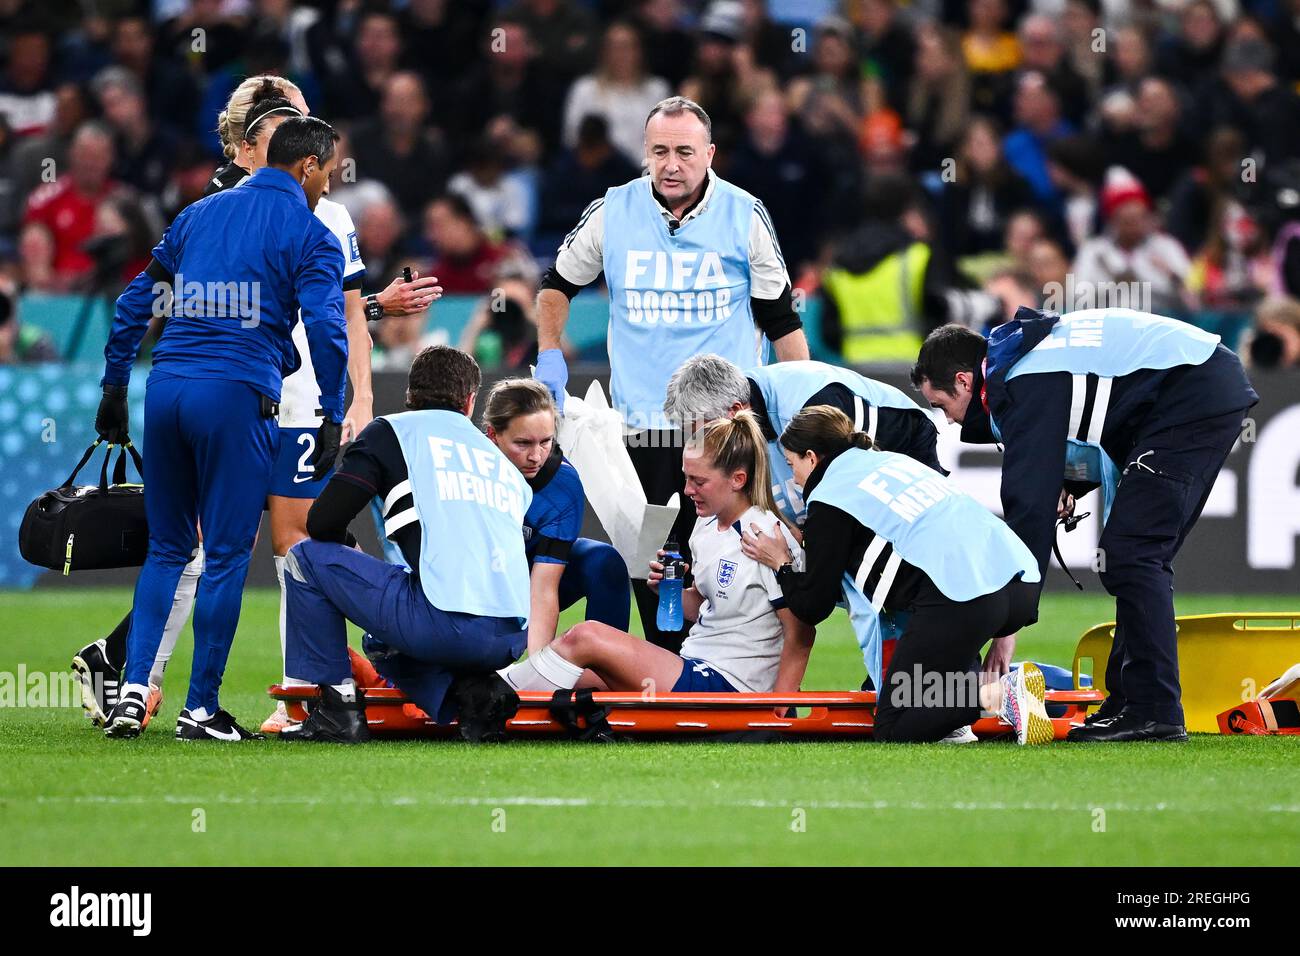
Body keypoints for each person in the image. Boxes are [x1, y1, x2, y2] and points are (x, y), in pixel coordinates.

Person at [94, 115, 348, 741]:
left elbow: (136, 302)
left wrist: (113, 385)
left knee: (168, 549)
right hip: (237, 397)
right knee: (228, 555)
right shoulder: (312, 235)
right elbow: (325, 329)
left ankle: (132, 692)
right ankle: (200, 709)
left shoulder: (196, 216)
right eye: (330, 171)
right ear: (308, 165)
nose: (329, 184)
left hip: (169, 389)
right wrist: (334, 410)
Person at [533, 95, 810, 651]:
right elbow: (556, 285)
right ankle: (670, 675)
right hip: (642, 428)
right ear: (645, 153)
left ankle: (743, 680)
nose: (671, 164)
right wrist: (550, 354)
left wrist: (799, 412)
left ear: (709, 154)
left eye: (685, 151)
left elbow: (780, 319)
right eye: (659, 151)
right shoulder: (613, 211)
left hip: (727, 432)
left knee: (738, 564)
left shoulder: (744, 214)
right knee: (654, 567)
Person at [911, 309, 1259, 742]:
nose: (948, 421)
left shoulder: (1022, 379)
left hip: (1193, 391)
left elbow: (1028, 508)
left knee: (1133, 555)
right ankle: (1131, 703)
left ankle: (1155, 711)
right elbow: (1099, 411)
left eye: (941, 406)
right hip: (1191, 385)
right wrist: (1067, 480)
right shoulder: (1020, 359)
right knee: (1130, 557)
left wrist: (1008, 625)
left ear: (964, 381)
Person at [740, 406, 1049, 745]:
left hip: (963, 596)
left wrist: (782, 562)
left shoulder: (830, 496)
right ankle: (972, 708)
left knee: (895, 721)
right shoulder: (890, 461)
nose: (795, 479)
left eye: (791, 465)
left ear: (811, 457)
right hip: (1018, 583)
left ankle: (999, 692)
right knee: (932, 685)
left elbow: (814, 605)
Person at [278, 346, 532, 744]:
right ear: (470, 401)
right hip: (513, 635)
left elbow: (322, 523)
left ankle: (336, 709)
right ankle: (471, 693)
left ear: (410, 395)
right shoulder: (500, 459)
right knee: (384, 634)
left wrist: (350, 550)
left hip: (444, 624)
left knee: (302, 558)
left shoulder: (391, 432)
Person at [491, 412, 815, 722]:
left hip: (730, 686)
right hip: (694, 666)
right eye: (687, 477)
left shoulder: (767, 537)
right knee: (575, 675)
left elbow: (800, 632)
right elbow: (705, 606)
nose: (688, 490)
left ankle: (487, 692)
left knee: (585, 638)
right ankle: (487, 691)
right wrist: (666, 590)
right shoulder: (708, 526)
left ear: (737, 479)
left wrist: (779, 711)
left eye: (698, 481)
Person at [663, 354, 943, 526]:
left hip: (900, 447)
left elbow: (851, 492)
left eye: (705, 431)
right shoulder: (739, 408)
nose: (704, 443)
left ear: (736, 410)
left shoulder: (812, 405)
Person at [483, 378, 629, 652]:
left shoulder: (562, 483)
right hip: (475, 581)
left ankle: (604, 673)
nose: (536, 456)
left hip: (530, 575)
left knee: (603, 561)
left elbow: (544, 586)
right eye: (523, 443)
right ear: (492, 435)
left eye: (545, 442)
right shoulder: (468, 473)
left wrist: (538, 671)